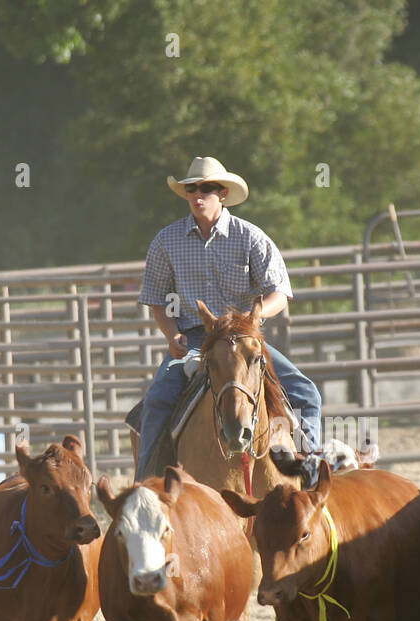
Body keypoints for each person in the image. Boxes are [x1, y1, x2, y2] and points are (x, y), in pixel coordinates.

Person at [135, 156, 322, 480]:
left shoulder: (250, 237)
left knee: (305, 392)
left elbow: (280, 292)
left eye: (206, 188)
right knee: (157, 399)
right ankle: (145, 483)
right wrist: (171, 335)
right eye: (191, 188)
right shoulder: (166, 241)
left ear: (222, 193)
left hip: (245, 338)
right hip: (197, 338)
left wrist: (257, 314)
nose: (197, 195)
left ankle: (312, 470)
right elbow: (158, 300)